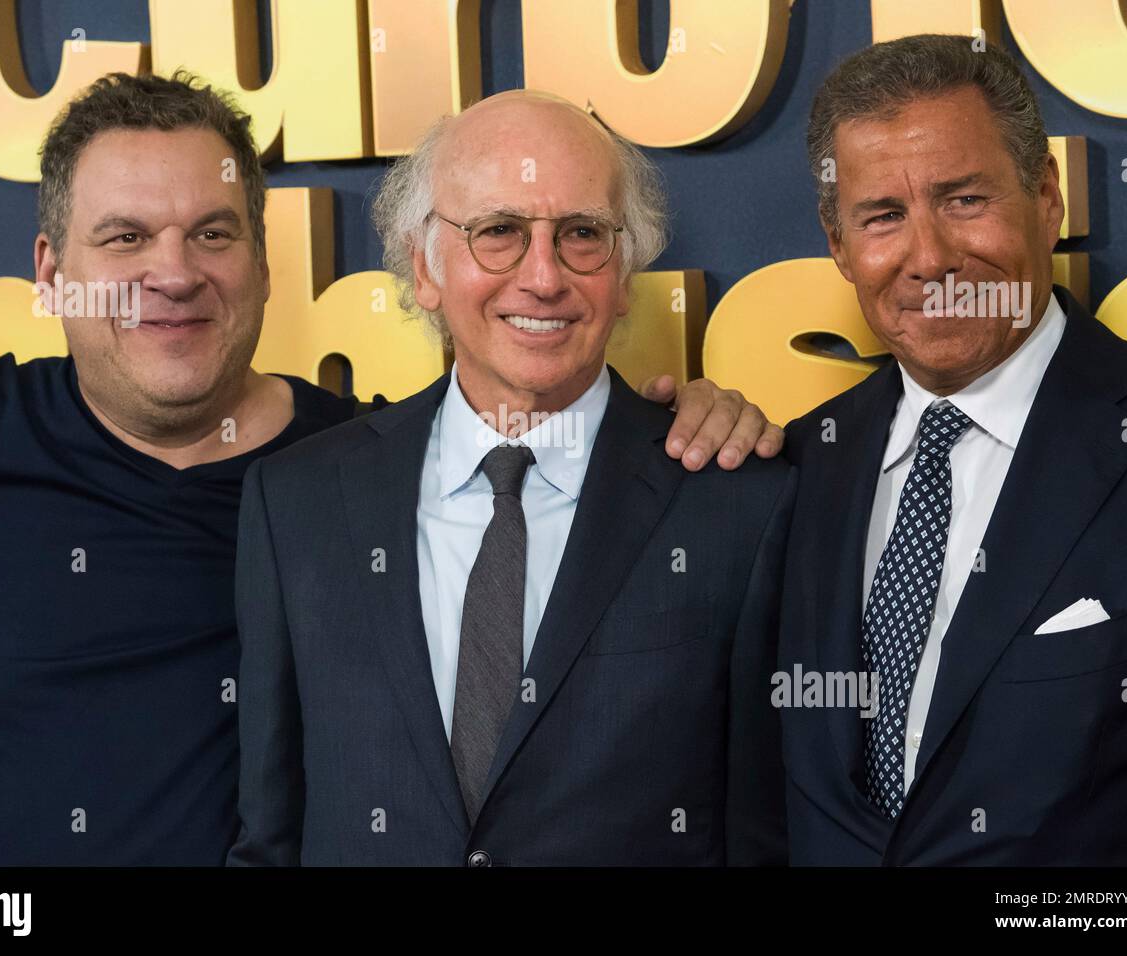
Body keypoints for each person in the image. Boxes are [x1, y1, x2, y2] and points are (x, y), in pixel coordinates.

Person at [0, 72, 779, 865]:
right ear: (49, 271)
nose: (173, 274)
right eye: (123, 238)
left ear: (266, 264)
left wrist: (700, 426)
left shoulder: (343, 480)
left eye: (213, 233)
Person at [228, 91, 795, 866]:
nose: (544, 278)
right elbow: (272, 833)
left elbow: (769, 839)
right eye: (498, 232)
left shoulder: (738, 502)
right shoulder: (297, 503)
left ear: (625, 274)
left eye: (582, 235)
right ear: (424, 267)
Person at [780, 34, 1127, 864]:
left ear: (1046, 197)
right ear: (839, 245)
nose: (929, 257)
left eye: (964, 199)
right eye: (883, 217)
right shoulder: (786, 469)